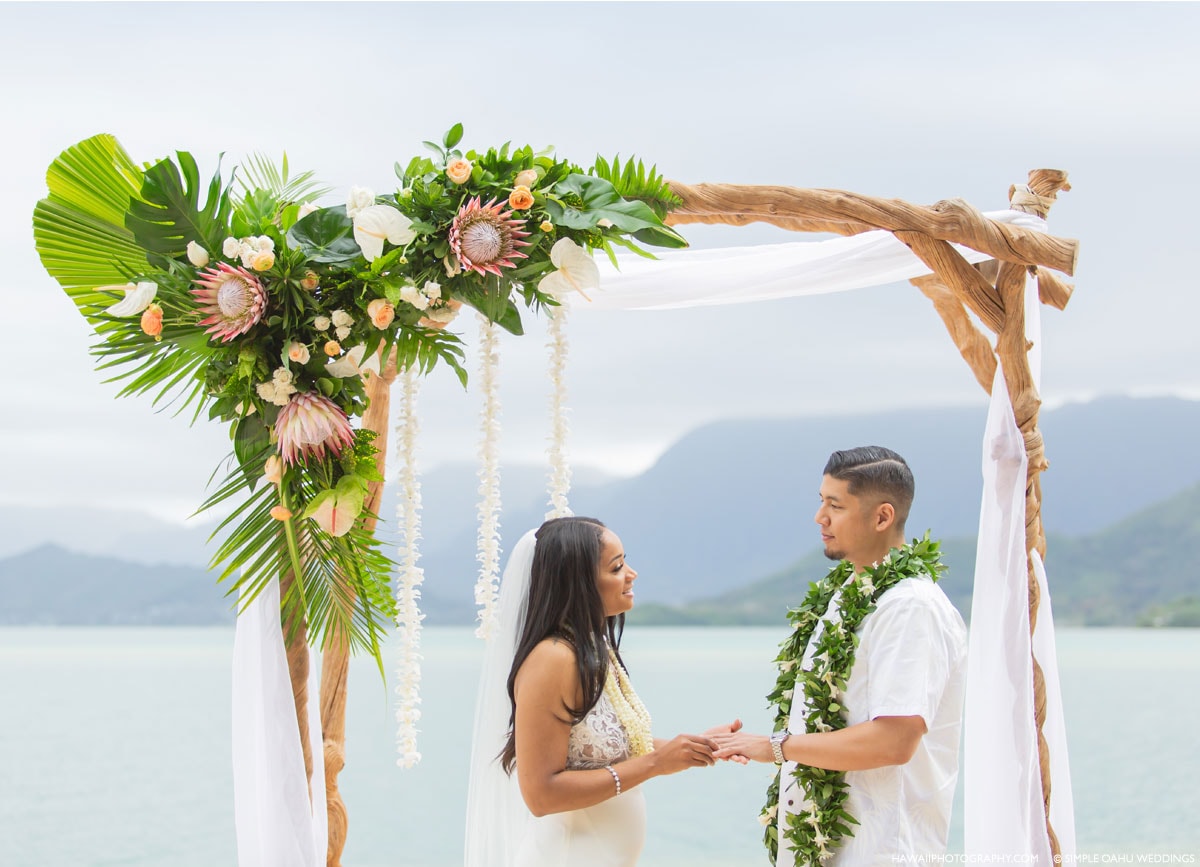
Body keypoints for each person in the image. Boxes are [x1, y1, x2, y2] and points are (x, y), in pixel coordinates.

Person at [712, 446, 968, 864]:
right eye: (820, 501)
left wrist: (774, 746)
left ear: (882, 517)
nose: (820, 518)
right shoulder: (846, 595)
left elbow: (895, 740)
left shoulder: (910, 607)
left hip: (882, 850)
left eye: (836, 505)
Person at [465, 516, 731, 867]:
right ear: (578, 582)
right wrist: (654, 764)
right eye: (617, 567)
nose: (631, 574)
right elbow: (541, 794)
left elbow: (608, 748)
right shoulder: (552, 659)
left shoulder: (591, 648)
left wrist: (690, 749)